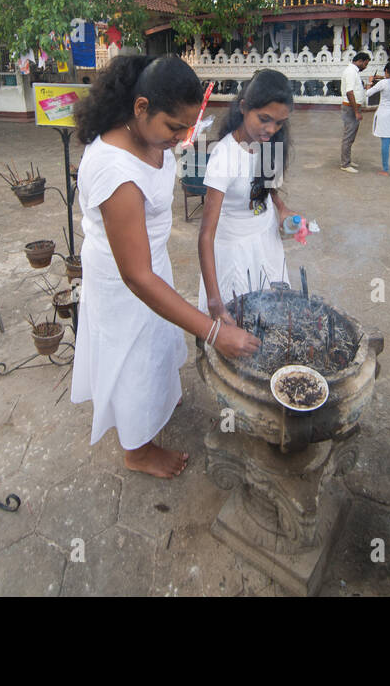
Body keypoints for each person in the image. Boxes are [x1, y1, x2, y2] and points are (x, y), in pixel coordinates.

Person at [70, 55, 259, 479]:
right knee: (133, 357)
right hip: (125, 278)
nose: (180, 138)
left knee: (156, 343)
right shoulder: (114, 170)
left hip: (150, 263)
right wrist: (213, 332)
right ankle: (137, 449)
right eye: (174, 127)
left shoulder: (151, 138)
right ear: (140, 108)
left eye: (187, 128)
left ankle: (156, 402)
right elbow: (135, 276)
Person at [197, 70, 296, 320]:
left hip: (266, 241)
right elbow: (206, 235)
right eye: (264, 119)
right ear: (243, 107)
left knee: (271, 318)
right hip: (234, 252)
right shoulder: (225, 157)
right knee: (240, 320)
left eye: (279, 122)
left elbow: (266, 190)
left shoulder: (269, 143)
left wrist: (282, 210)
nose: (271, 129)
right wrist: (214, 302)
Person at [366, 61, 390, 176]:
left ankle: (385, 169)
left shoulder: (383, 83)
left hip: (384, 115)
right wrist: (381, 77)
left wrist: (370, 82)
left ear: (387, 71)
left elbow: (368, 93)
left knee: (385, 142)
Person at [339, 51, 370, 173]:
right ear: (360, 61)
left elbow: (354, 90)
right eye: (365, 64)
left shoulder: (353, 72)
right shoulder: (351, 72)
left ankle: (347, 160)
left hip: (352, 107)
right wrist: (356, 111)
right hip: (350, 108)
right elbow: (349, 92)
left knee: (351, 136)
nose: (365, 67)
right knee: (348, 136)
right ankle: (345, 164)